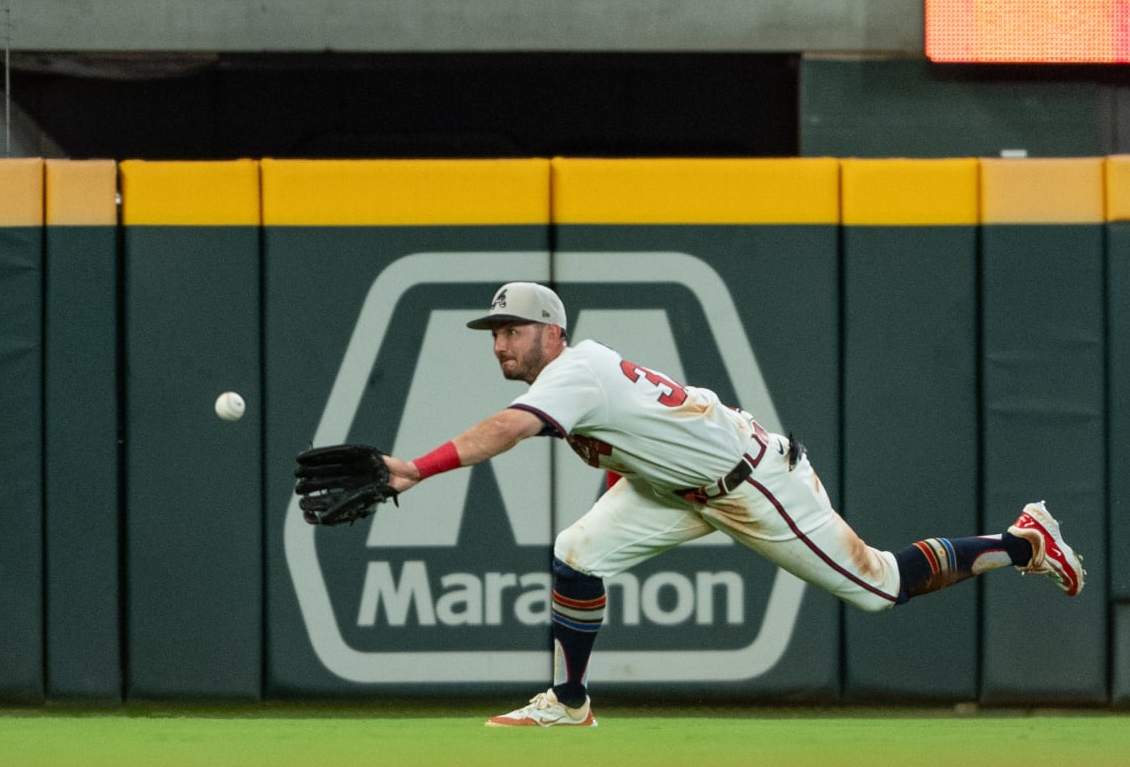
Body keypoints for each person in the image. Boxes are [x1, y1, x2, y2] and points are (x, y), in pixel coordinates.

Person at [379, 282, 1085, 728]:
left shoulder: (574, 371)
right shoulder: (577, 376)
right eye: (495, 332)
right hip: (675, 488)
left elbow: (509, 428)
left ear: (551, 333)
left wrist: (416, 467)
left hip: (751, 483)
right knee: (577, 552)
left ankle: (1024, 542)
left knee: (879, 586)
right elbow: (629, 444)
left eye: (512, 328)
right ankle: (568, 702)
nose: (500, 341)